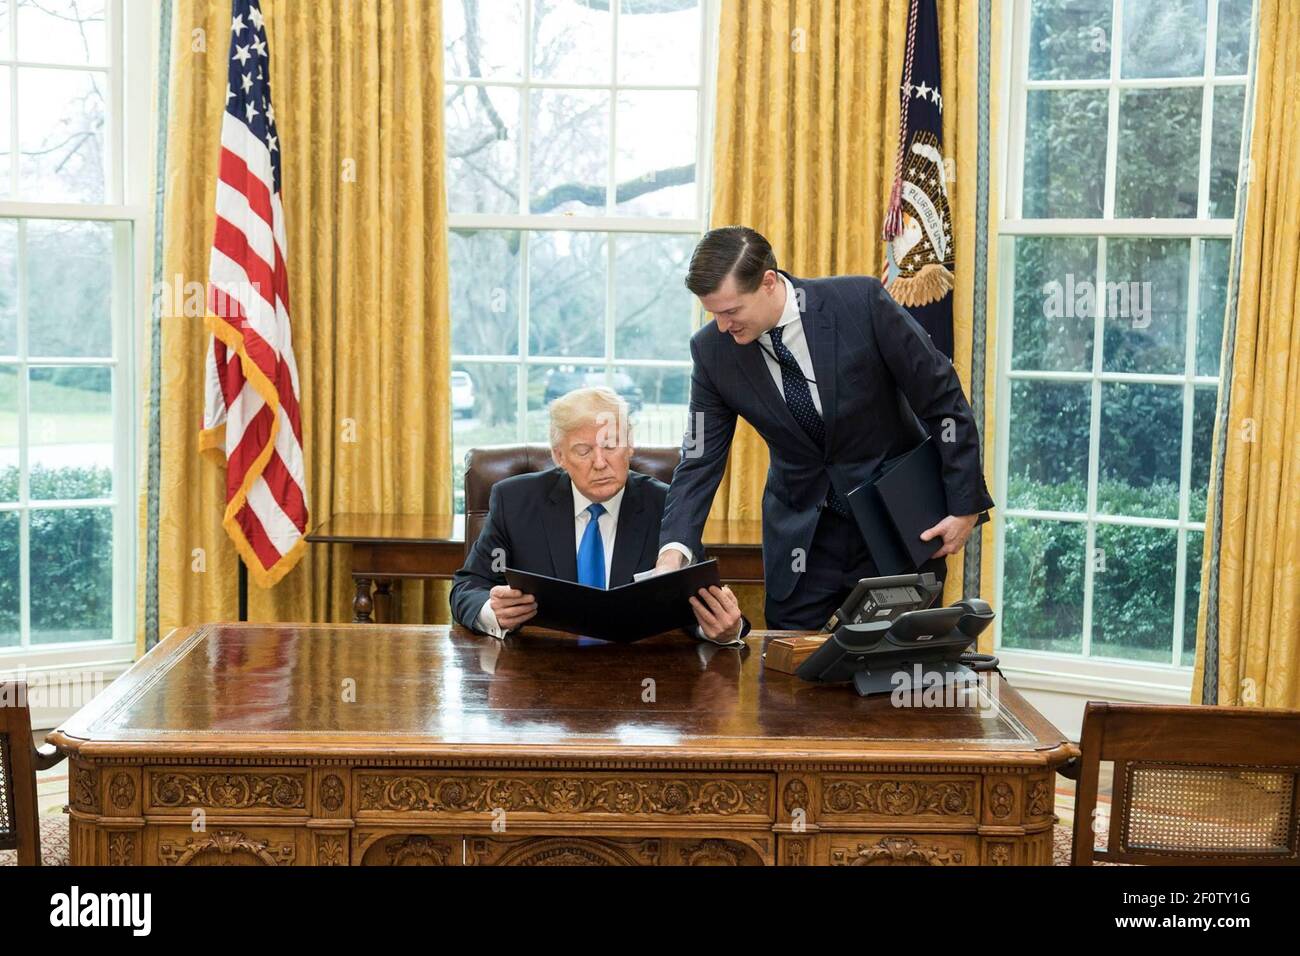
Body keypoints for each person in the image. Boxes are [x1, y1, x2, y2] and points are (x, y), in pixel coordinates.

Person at [653, 226, 994, 629]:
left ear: (768, 282)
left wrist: (964, 505)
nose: (723, 326)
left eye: (731, 311)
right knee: (788, 679)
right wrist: (672, 553)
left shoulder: (859, 303)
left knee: (890, 674)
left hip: (894, 526)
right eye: (713, 313)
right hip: (803, 544)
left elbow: (942, 399)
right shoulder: (711, 352)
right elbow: (698, 459)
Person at [451, 386, 748, 644]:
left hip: (641, 677)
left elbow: (698, 606)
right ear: (559, 456)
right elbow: (467, 587)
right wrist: (492, 612)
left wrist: (721, 629)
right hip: (539, 674)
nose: (600, 462)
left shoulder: (670, 507)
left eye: (611, 445)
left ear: (629, 444)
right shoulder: (515, 502)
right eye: (583, 450)